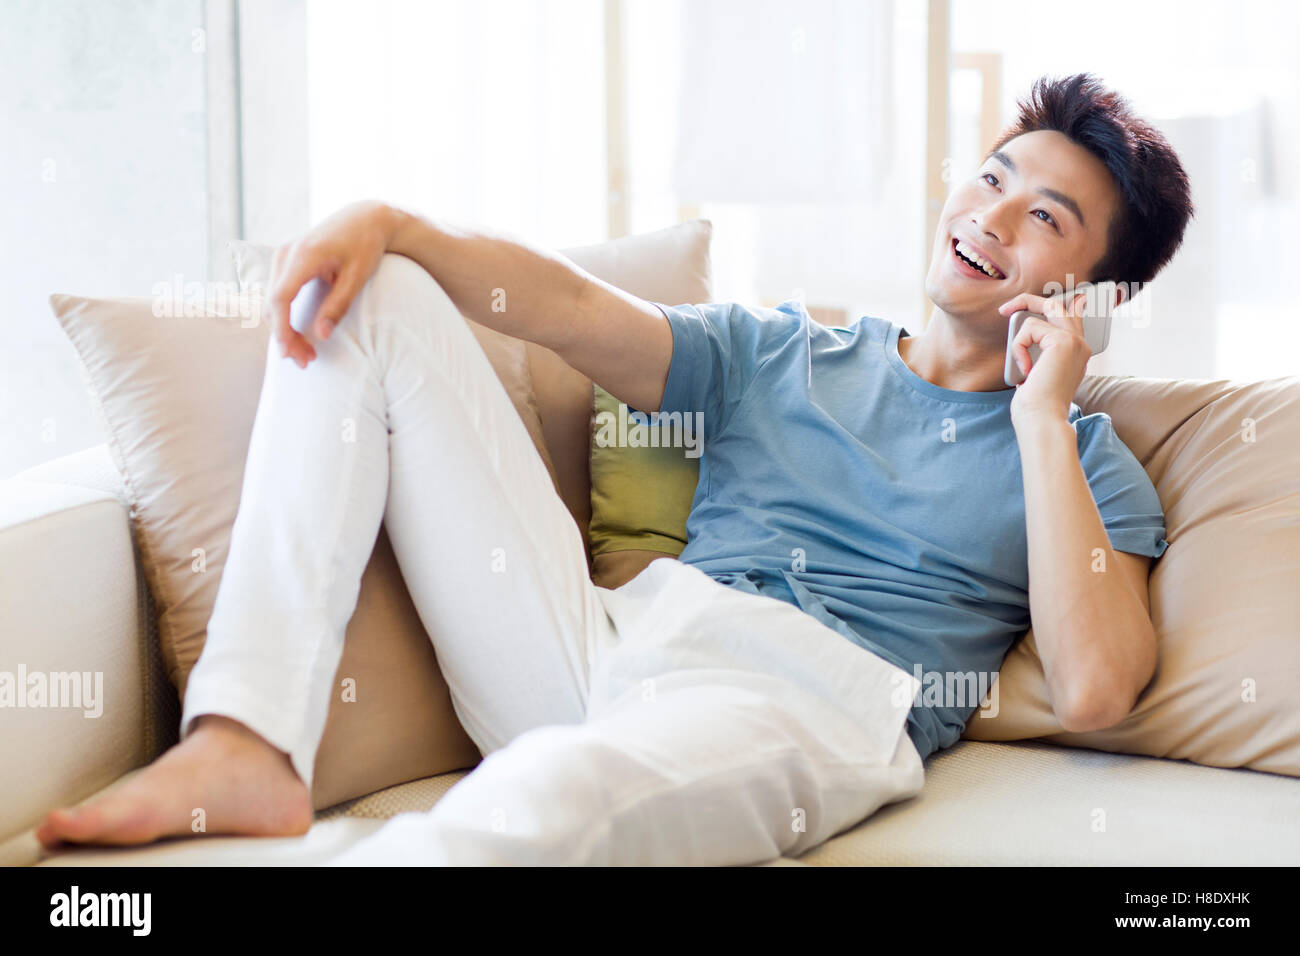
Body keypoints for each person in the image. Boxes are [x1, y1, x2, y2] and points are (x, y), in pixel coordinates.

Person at [35, 72, 1192, 865]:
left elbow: (1095, 686)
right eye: (991, 176)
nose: (990, 216)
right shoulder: (781, 349)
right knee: (381, 288)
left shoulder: (1083, 462)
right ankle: (242, 735)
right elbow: (571, 307)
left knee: (549, 800)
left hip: (807, 705)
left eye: (1042, 215)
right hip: (609, 642)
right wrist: (387, 218)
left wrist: (1041, 415)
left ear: (1090, 291)